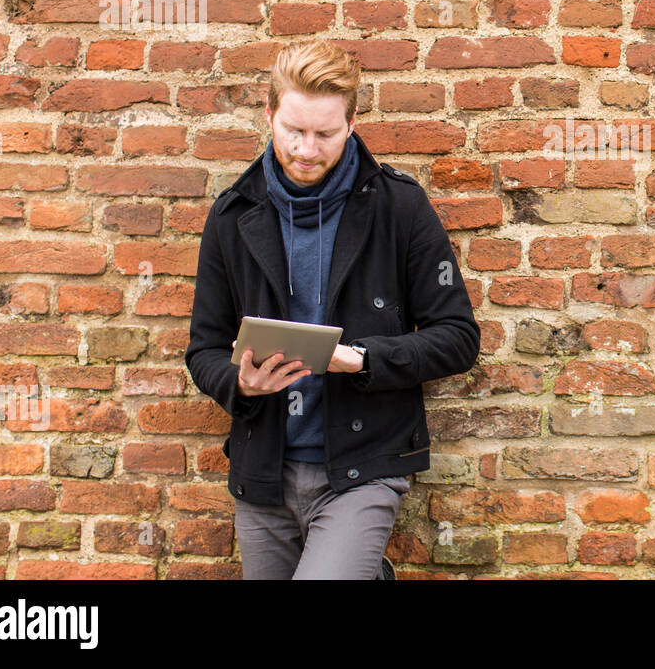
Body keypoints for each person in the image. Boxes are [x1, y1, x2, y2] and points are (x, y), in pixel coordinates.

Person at [184, 39, 481, 578]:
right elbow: (203, 349)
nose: (306, 149)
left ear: (352, 123)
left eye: (325, 133)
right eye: (293, 130)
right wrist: (241, 384)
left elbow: (458, 337)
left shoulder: (400, 207)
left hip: (363, 466)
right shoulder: (231, 216)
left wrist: (361, 360)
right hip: (263, 469)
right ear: (269, 113)